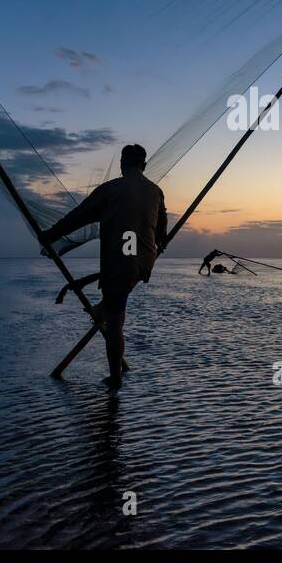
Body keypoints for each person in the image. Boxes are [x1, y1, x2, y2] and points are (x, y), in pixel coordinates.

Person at [39, 144, 167, 389]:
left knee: (115, 325)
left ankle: (115, 380)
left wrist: (51, 235)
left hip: (121, 263)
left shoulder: (110, 189)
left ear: (121, 164)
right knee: (115, 296)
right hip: (145, 261)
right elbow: (162, 230)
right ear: (144, 166)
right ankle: (101, 309)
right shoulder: (156, 191)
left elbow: (78, 216)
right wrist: (158, 245)